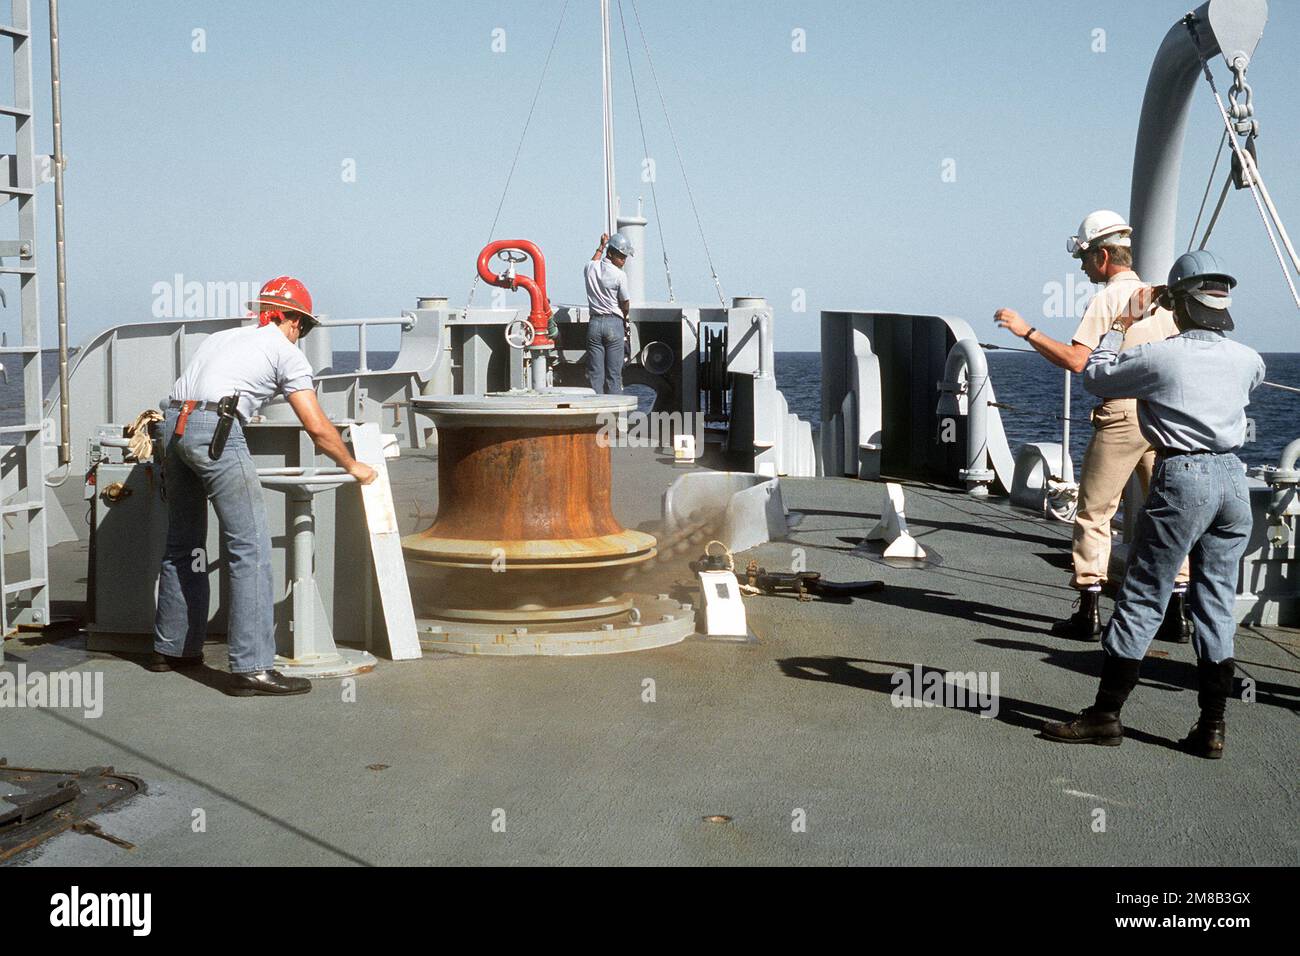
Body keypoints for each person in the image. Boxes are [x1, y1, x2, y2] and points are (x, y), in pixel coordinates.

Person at [1042, 250, 1264, 758]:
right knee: (1215, 602)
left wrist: (1125, 322)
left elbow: (1094, 375)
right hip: (1234, 480)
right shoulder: (1249, 359)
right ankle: (1211, 728)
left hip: (1183, 475)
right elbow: (1243, 386)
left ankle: (1104, 715)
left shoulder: (1163, 355)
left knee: (1143, 594)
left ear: (1178, 304)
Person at [151, 276, 377, 696]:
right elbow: (317, 428)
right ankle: (252, 668)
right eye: (302, 328)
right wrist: (354, 465)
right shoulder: (285, 352)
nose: (300, 335)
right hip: (215, 430)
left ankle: (172, 649)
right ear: (292, 321)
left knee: (184, 544)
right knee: (249, 548)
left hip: (172, 428)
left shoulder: (222, 339)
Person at [994, 209, 1191, 643]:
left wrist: (1027, 331)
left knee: (1095, 513)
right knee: (1169, 513)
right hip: (1166, 417)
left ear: (1103, 257)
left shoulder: (1107, 299)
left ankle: (1088, 611)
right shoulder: (1163, 298)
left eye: (1085, 259)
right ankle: (1176, 614)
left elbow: (1078, 361)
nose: (1082, 268)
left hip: (1121, 415)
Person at [584, 231, 633, 394]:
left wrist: (601, 245)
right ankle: (615, 417)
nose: (623, 260)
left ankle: (594, 414)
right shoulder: (620, 275)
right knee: (614, 375)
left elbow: (594, 260)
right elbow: (625, 302)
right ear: (611, 253)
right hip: (614, 323)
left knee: (595, 375)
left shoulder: (590, 268)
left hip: (594, 324)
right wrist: (625, 317)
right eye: (621, 256)